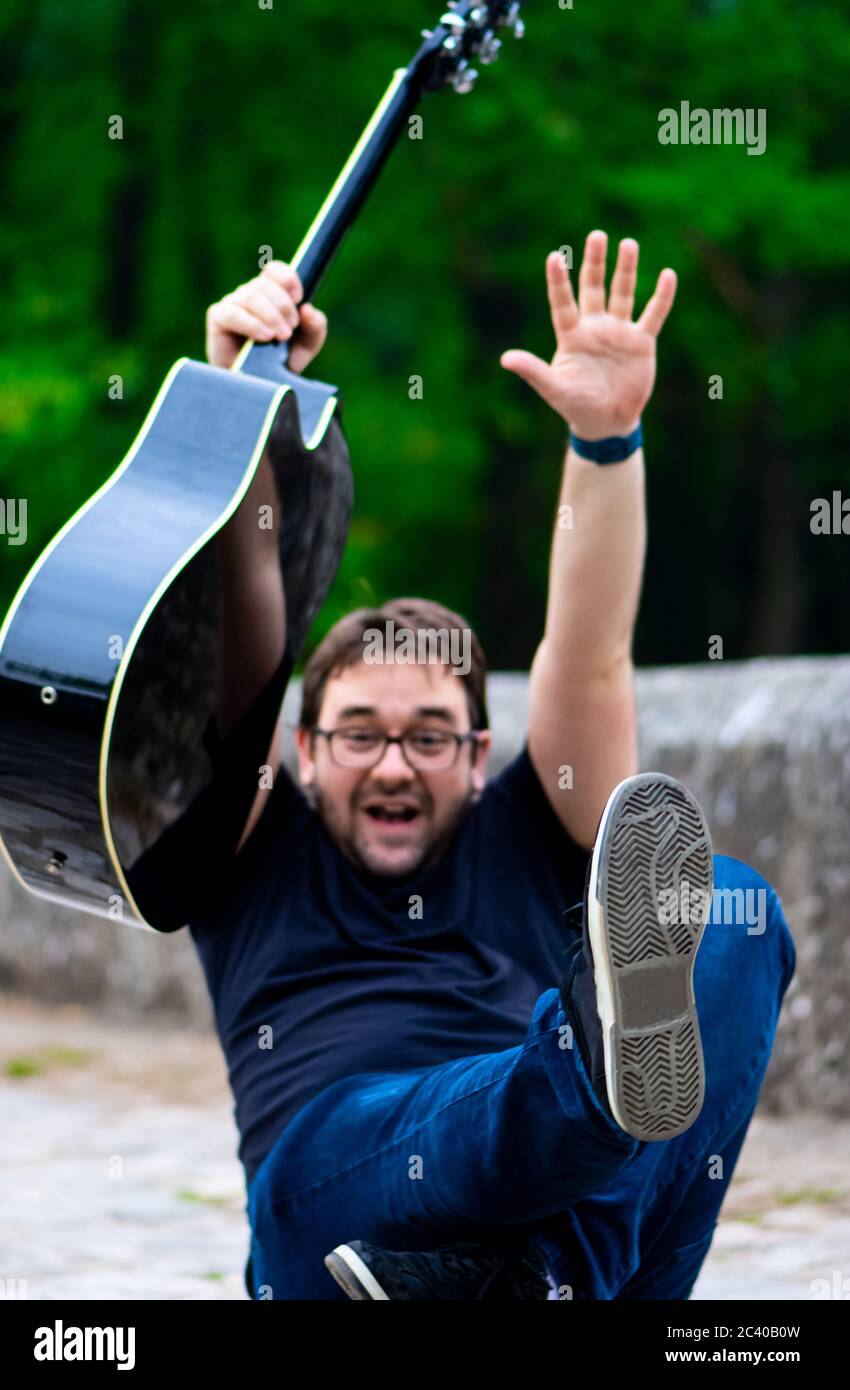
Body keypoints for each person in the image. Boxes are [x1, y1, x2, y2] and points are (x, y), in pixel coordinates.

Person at [173, 232, 796, 1300]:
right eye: (359, 732)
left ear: (477, 754)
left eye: (426, 736)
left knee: (732, 907)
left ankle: (541, 1275)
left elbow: (588, 652)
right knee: (435, 1115)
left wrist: (604, 441)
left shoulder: (524, 828)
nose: (392, 765)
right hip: (332, 1222)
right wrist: (239, 409)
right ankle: (569, 1170)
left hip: (528, 1237)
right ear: (303, 749)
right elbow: (242, 643)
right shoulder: (253, 840)